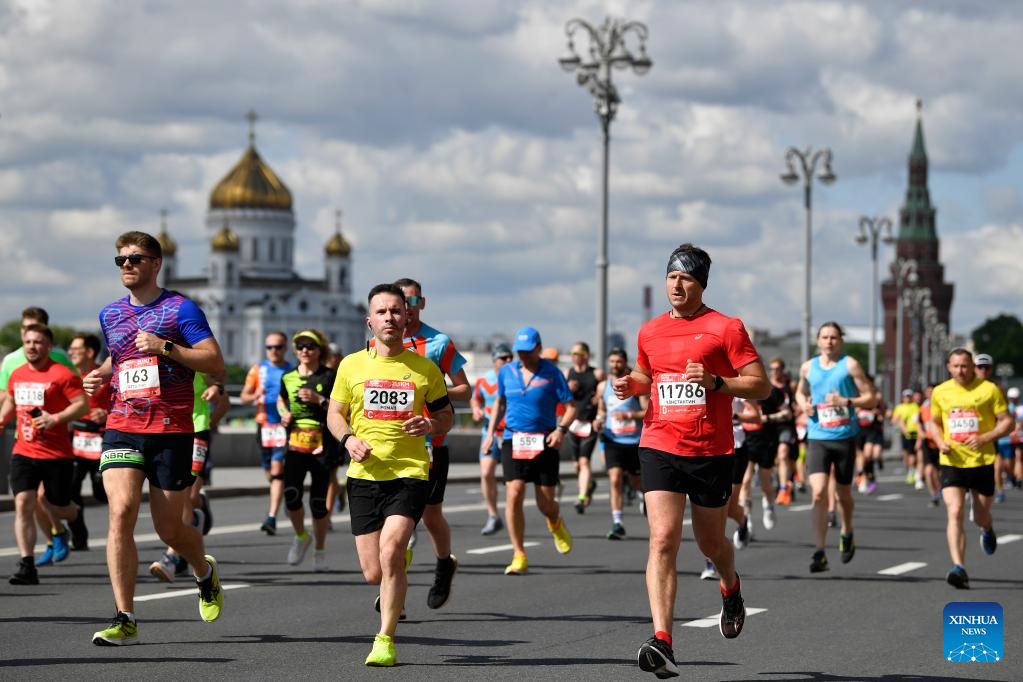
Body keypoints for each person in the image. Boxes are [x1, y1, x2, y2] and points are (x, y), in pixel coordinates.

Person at [614, 244, 769, 679]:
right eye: (670, 277)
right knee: (662, 538)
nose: (676, 285)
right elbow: (650, 374)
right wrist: (632, 383)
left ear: (700, 284)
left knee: (711, 543)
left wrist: (718, 382)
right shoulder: (649, 331)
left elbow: (760, 385)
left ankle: (731, 586)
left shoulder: (726, 328)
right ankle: (662, 640)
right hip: (659, 442)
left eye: (685, 279)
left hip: (710, 450)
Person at [83, 231, 225, 645]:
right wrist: (102, 374)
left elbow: (214, 360)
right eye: (120, 260)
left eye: (136, 259)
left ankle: (202, 569)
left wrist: (165, 346)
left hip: (171, 430)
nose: (127, 265)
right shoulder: (110, 314)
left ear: (156, 263)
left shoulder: (181, 309)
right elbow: (122, 357)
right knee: (121, 512)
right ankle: (125, 616)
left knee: (170, 531)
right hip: (123, 424)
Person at [327, 283, 453, 667]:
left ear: (407, 318)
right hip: (364, 474)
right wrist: (348, 439)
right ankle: (393, 577)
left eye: (396, 311)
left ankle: (385, 638)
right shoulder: (351, 365)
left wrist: (429, 425)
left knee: (392, 548)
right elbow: (334, 414)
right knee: (373, 572)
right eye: (382, 312)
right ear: (370, 321)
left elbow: (447, 415)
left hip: (410, 473)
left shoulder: (424, 368)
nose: (390, 318)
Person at [391, 278, 471, 609]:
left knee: (429, 516)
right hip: (392, 443)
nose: (406, 307)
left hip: (431, 442)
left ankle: (443, 564)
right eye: (401, 301)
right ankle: (392, 597)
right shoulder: (380, 344)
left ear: (421, 303)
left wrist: (432, 390)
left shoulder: (438, 343)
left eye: (413, 300)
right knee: (396, 522)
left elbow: (465, 389)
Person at [482, 326, 575, 575]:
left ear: (538, 348)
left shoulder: (553, 373)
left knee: (546, 504)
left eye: (527, 351)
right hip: (513, 439)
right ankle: (519, 553)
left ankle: (554, 521)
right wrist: (491, 433)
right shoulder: (506, 372)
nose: (522, 356)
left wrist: (561, 431)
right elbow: (500, 403)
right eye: (518, 351)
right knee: (514, 492)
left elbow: (571, 407)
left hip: (544, 441)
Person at [1, 325, 89, 585]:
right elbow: (11, 402)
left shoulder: (62, 374)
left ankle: (74, 515)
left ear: (48, 346)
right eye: (28, 341)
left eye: (38, 342)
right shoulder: (16, 374)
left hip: (56, 453)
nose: (31, 346)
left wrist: (56, 418)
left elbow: (82, 405)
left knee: (57, 505)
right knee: (24, 502)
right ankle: (27, 564)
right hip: (24, 449)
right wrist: (2, 418)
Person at [796, 322, 878, 574]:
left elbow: (872, 397)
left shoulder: (850, 364)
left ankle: (847, 530)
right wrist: (804, 405)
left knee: (843, 494)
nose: (829, 341)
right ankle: (819, 551)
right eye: (825, 337)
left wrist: (847, 401)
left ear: (840, 340)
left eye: (834, 337)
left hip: (844, 436)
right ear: (817, 340)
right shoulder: (808, 367)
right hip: (818, 435)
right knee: (818, 493)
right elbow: (799, 392)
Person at [927, 349, 1012, 589]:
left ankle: (987, 528)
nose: (960, 371)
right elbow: (933, 422)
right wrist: (940, 441)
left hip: (982, 461)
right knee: (955, 511)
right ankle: (959, 567)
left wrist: (985, 437)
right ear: (948, 367)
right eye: (955, 366)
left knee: (980, 516)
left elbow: (1007, 422)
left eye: (965, 366)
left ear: (972, 366)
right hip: (952, 462)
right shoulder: (940, 392)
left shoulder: (988, 390)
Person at [149, 371, 229, 581]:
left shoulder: (198, 367)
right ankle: (195, 521)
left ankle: (171, 557)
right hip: (169, 433)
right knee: (184, 497)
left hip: (196, 432)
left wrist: (208, 423)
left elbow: (224, 401)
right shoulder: (158, 365)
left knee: (188, 495)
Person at [278, 330, 337, 571]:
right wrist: (284, 415)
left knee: (318, 503)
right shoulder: (288, 377)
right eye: (300, 346)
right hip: (294, 444)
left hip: (322, 446)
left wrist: (318, 399)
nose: (305, 350)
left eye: (310, 346)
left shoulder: (331, 376)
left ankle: (320, 549)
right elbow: (281, 400)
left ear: (319, 350)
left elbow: (343, 408)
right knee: (291, 495)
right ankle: (302, 535)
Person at [240, 331, 293, 535]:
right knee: (269, 471)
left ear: (285, 348)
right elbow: (244, 397)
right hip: (263, 425)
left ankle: (271, 517)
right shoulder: (258, 370)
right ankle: (286, 493)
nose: (274, 351)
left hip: (283, 426)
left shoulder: (291, 371)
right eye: (269, 347)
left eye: (278, 347)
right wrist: (254, 395)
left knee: (277, 468)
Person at [594, 347, 647, 540]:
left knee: (636, 482)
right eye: (612, 361)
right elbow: (601, 410)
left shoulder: (636, 384)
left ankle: (643, 496)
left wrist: (630, 415)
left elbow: (646, 411)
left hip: (633, 440)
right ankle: (618, 523)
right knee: (615, 479)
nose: (615, 365)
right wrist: (598, 419)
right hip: (612, 439)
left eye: (618, 361)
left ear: (625, 363)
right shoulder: (603, 386)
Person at [67, 332, 112, 551]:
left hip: (101, 439)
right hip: (76, 438)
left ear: (90, 352)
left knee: (100, 492)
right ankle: (79, 535)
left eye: (75, 349)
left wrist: (106, 413)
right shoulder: (69, 375)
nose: (70, 353)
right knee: (71, 488)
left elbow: (124, 404)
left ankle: (118, 528)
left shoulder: (105, 375)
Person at [471, 343, 512, 535]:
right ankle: (493, 515)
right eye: (503, 358)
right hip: (490, 433)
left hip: (512, 433)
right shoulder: (484, 381)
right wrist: (476, 409)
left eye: (510, 357)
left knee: (513, 480)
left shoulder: (516, 378)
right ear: (495, 360)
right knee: (486, 473)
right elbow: (475, 398)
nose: (508, 361)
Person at [566, 342, 604, 513]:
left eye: (579, 352)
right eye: (572, 352)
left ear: (586, 355)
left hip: (590, 423)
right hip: (573, 424)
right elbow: (560, 397)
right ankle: (589, 484)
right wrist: (568, 389)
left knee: (584, 461)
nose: (575, 355)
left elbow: (606, 394)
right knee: (576, 465)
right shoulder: (567, 373)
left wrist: (599, 405)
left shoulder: (596, 374)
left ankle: (581, 497)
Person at [768, 359, 799, 506]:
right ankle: (784, 480)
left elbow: (797, 404)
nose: (775, 371)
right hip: (770, 426)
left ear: (783, 370)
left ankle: (783, 487)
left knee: (784, 453)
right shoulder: (766, 386)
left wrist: (797, 409)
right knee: (776, 460)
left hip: (786, 426)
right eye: (772, 369)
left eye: (778, 368)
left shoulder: (790, 386)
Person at [891, 389, 922, 488]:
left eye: (909, 396)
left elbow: (917, 420)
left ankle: (913, 471)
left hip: (914, 433)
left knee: (913, 453)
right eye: (906, 396)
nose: (907, 398)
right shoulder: (899, 407)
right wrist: (900, 420)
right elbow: (894, 420)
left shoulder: (915, 407)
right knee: (906, 454)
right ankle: (910, 469)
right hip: (904, 434)